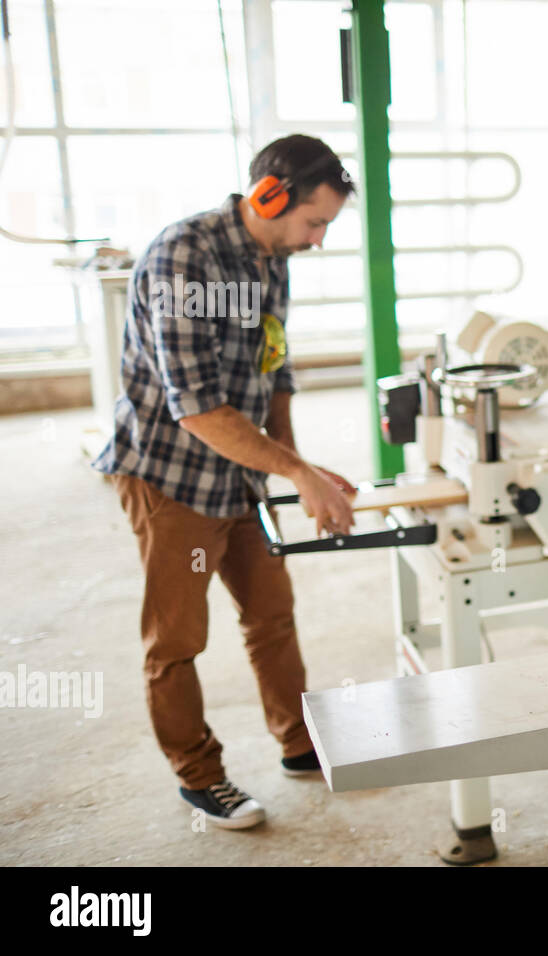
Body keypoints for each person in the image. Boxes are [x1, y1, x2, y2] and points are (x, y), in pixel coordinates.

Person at [93, 134, 359, 829]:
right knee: (176, 639)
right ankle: (200, 777)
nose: (319, 240)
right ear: (270, 194)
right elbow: (200, 409)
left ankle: (300, 744)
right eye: (314, 222)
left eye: (327, 225)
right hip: (172, 478)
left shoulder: (272, 259)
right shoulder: (184, 258)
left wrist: (297, 471)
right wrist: (296, 471)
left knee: (271, 613)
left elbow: (274, 369)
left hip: (243, 477)